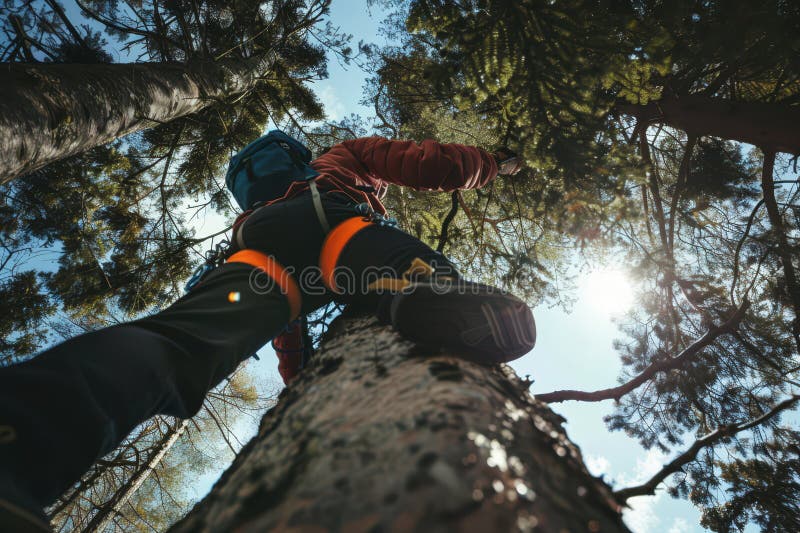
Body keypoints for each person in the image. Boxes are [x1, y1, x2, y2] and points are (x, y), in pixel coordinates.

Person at [0, 136, 535, 530]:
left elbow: (287, 328)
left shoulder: (263, 199)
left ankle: (19, 445)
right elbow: (426, 164)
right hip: (336, 222)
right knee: (411, 270)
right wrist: (491, 162)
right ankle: (406, 293)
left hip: (263, 243)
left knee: (180, 340)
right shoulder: (341, 157)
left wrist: (297, 373)